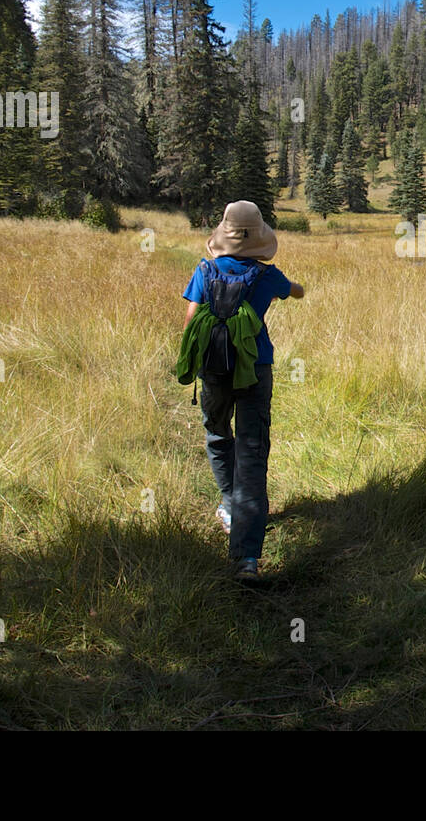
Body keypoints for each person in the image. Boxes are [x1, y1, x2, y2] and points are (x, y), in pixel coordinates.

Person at [180, 201, 304, 580]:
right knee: (251, 450)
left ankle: (230, 506)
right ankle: (246, 559)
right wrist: (294, 287)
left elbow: (190, 318)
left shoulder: (205, 270)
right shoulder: (266, 275)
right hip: (254, 369)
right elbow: (295, 292)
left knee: (218, 434)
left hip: (214, 369)